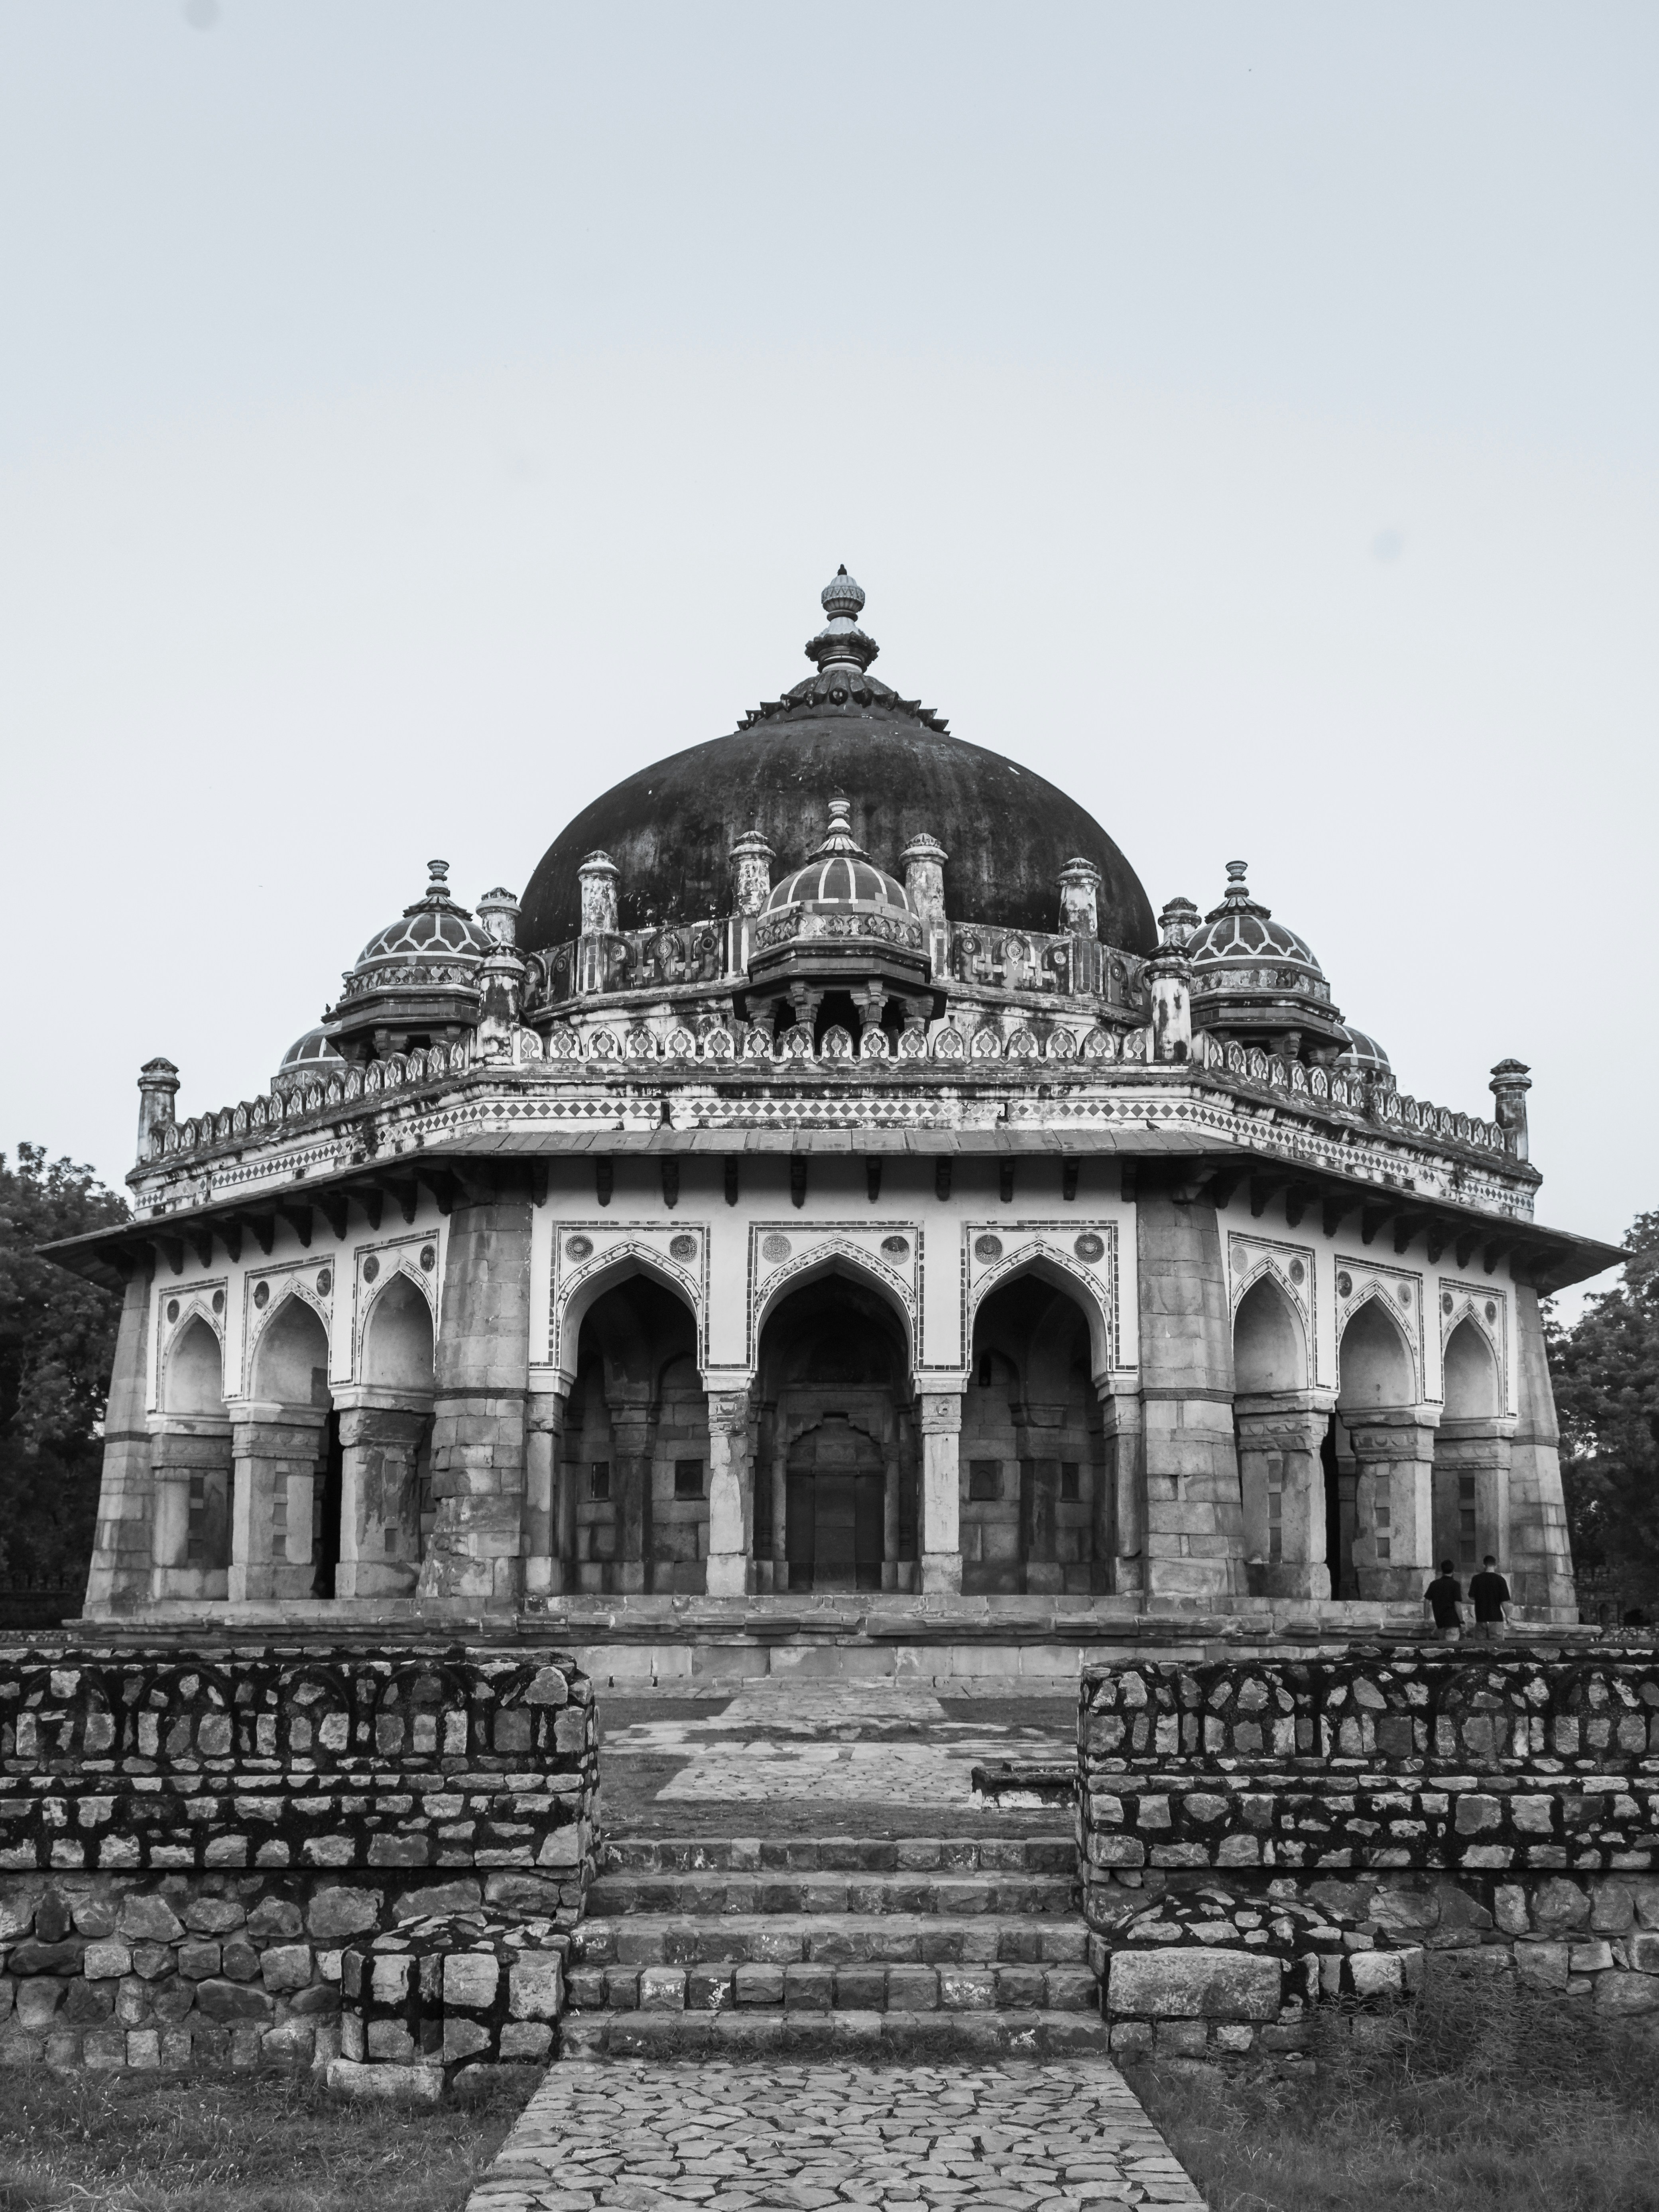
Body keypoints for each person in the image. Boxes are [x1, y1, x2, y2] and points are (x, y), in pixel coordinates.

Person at [1468, 1555, 1511, 1639]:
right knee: (1497, 1648)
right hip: (1496, 1619)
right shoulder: (1501, 1580)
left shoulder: (1476, 1579)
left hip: (1481, 1617)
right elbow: (1504, 1602)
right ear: (1496, 1566)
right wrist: (1508, 1617)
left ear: (1484, 1565)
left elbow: (1472, 1597)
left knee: (1480, 1648)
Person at [1424, 1561, 1464, 1641]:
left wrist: (1426, 1618)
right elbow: (1457, 1604)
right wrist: (1461, 1621)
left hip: (1440, 1622)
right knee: (1451, 1649)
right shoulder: (1455, 1585)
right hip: (1452, 1622)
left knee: (1443, 1649)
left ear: (1442, 1570)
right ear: (1453, 1571)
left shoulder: (1434, 1584)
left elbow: (1426, 1601)